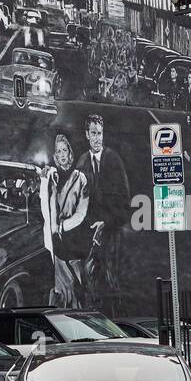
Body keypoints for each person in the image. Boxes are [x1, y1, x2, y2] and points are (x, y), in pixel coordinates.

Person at [76, 114, 131, 294]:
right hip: (88, 238)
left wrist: (106, 223)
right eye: (94, 133)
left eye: (100, 133)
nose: (97, 138)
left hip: (111, 237)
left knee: (111, 283)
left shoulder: (114, 160)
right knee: (89, 284)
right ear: (87, 134)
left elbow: (124, 204)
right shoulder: (82, 162)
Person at [39, 133, 90, 308]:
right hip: (55, 243)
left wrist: (61, 227)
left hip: (73, 241)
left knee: (76, 289)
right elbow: (43, 206)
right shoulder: (51, 177)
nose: (61, 154)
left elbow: (81, 213)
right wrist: (44, 182)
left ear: (70, 153)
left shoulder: (80, 178)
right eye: (58, 151)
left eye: (64, 150)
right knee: (59, 291)